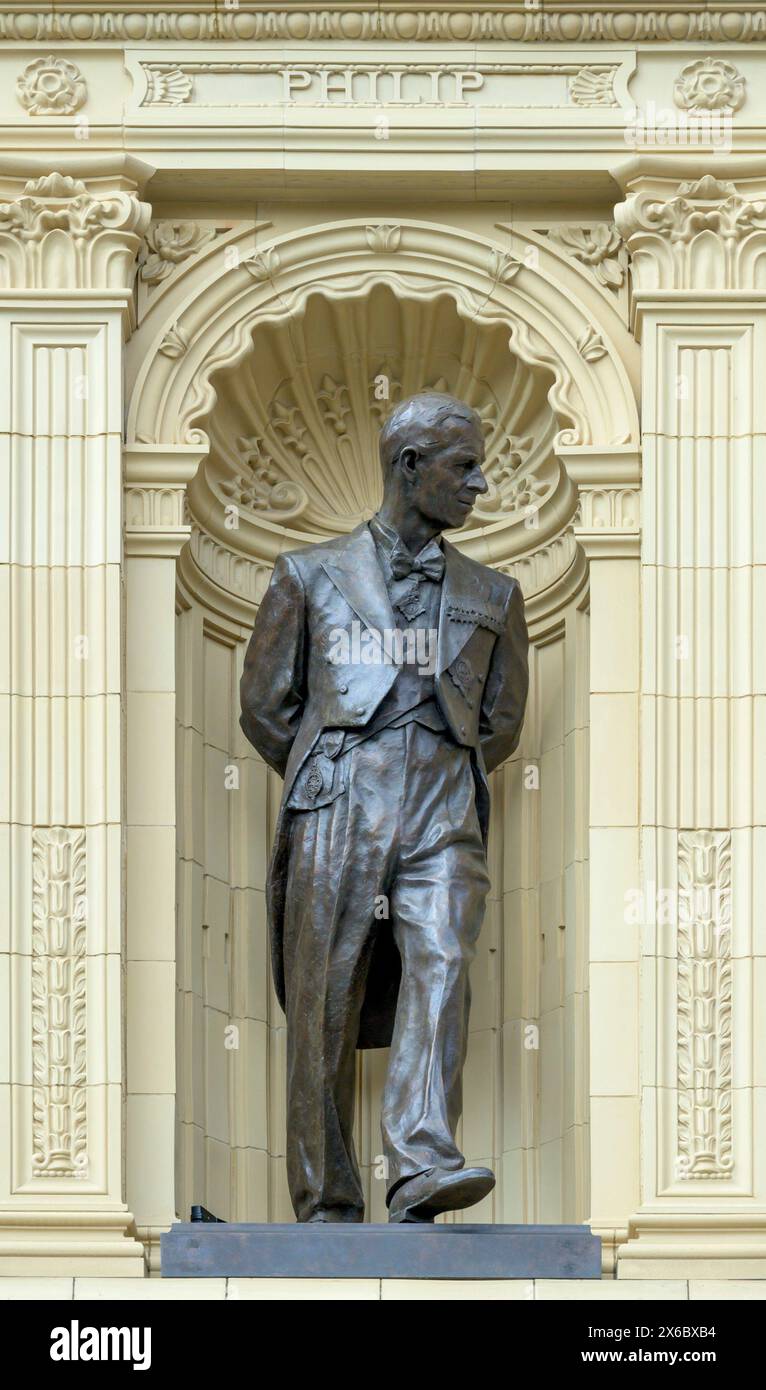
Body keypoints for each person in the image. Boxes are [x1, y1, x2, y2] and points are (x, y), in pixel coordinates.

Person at [240, 391, 529, 1224]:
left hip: (444, 809)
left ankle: (421, 1164)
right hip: (338, 801)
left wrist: (435, 766)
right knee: (324, 998)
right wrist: (338, 772)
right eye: (464, 466)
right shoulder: (307, 574)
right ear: (411, 467)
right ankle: (328, 1199)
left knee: (443, 962)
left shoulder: (496, 593)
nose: (480, 484)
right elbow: (266, 708)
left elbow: (500, 721)